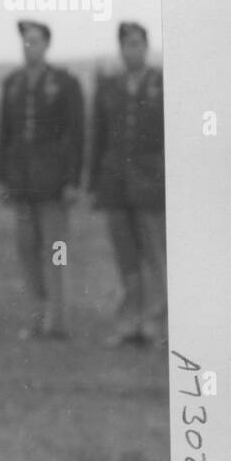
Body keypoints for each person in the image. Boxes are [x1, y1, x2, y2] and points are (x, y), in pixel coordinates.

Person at [0, 21, 85, 339]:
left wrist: (73, 180)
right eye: (25, 41)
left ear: (47, 45)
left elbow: (76, 134)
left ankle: (57, 321)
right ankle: (36, 317)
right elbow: (5, 134)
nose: (29, 46)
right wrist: (1, 178)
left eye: (35, 41)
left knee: (55, 250)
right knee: (27, 252)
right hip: (21, 182)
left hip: (54, 183)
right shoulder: (13, 83)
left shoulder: (64, 83)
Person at [88, 21, 166, 347]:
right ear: (120, 49)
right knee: (126, 257)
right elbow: (99, 137)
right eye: (126, 44)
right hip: (115, 183)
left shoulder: (162, 83)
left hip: (150, 183)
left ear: (146, 47)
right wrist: (94, 183)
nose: (132, 50)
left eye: (137, 44)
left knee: (156, 254)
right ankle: (130, 323)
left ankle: (156, 324)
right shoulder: (110, 87)